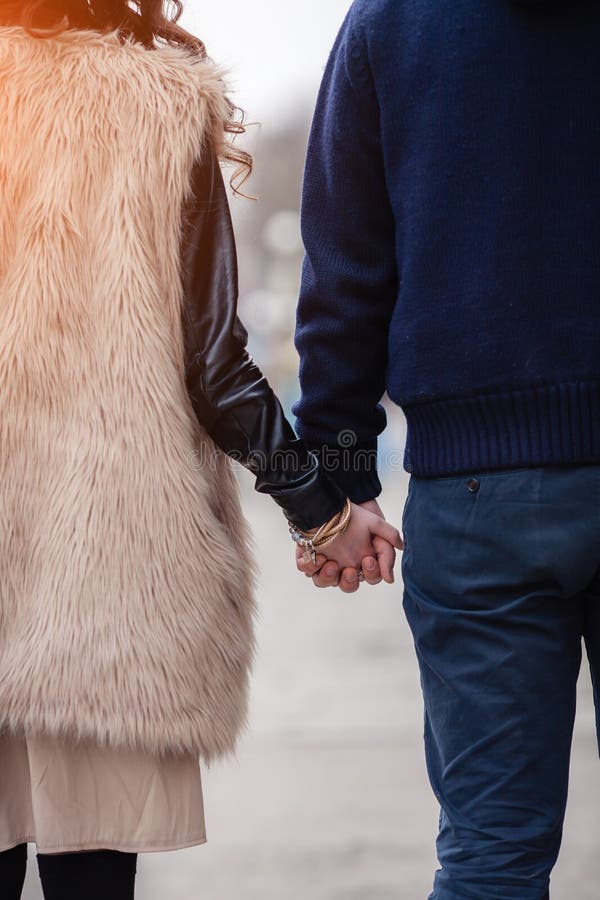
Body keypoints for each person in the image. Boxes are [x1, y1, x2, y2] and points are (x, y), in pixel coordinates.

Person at [0, 2, 403, 898]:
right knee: (91, 871)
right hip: (99, 581)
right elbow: (213, 361)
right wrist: (326, 510)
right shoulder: (157, 106)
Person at [292, 0, 600, 897]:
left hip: (477, 493)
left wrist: (340, 483)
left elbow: (344, 270)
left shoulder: (389, 21)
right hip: (477, 484)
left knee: (491, 856)